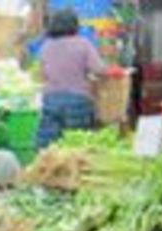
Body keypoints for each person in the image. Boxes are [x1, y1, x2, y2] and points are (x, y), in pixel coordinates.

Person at [37, 8, 108, 148]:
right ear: (75, 25)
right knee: (77, 145)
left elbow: (43, 74)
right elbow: (99, 70)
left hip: (51, 100)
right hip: (78, 101)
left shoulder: (46, 46)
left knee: (50, 146)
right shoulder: (83, 44)